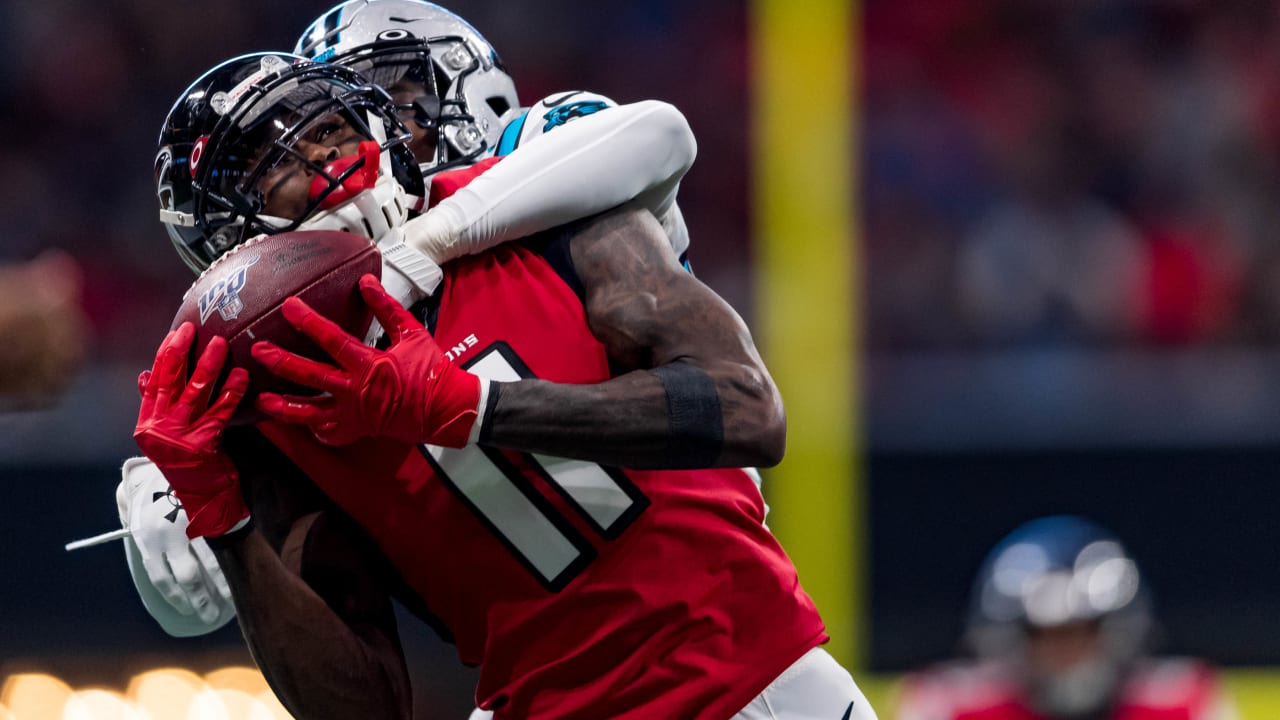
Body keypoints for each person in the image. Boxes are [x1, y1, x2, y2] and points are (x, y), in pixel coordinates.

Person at [131, 50, 876, 720]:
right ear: (223, 234)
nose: (324, 151)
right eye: (273, 157)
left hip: (757, 681)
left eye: (327, 124)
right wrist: (222, 524)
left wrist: (474, 408)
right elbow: (363, 706)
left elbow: (748, 411)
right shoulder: (272, 404)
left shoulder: (533, 201)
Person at [118, 0, 701, 639]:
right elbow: (192, 611)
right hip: (535, 655)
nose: (343, 138)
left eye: (394, 91)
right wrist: (169, 480)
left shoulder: (537, 150)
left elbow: (660, 133)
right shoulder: (327, 293)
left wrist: (420, 245)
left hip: (691, 555)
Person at [894, 516, 1237, 720]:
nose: (1065, 653)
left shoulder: (1181, 706)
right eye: (1045, 635)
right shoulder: (950, 708)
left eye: (1080, 632)